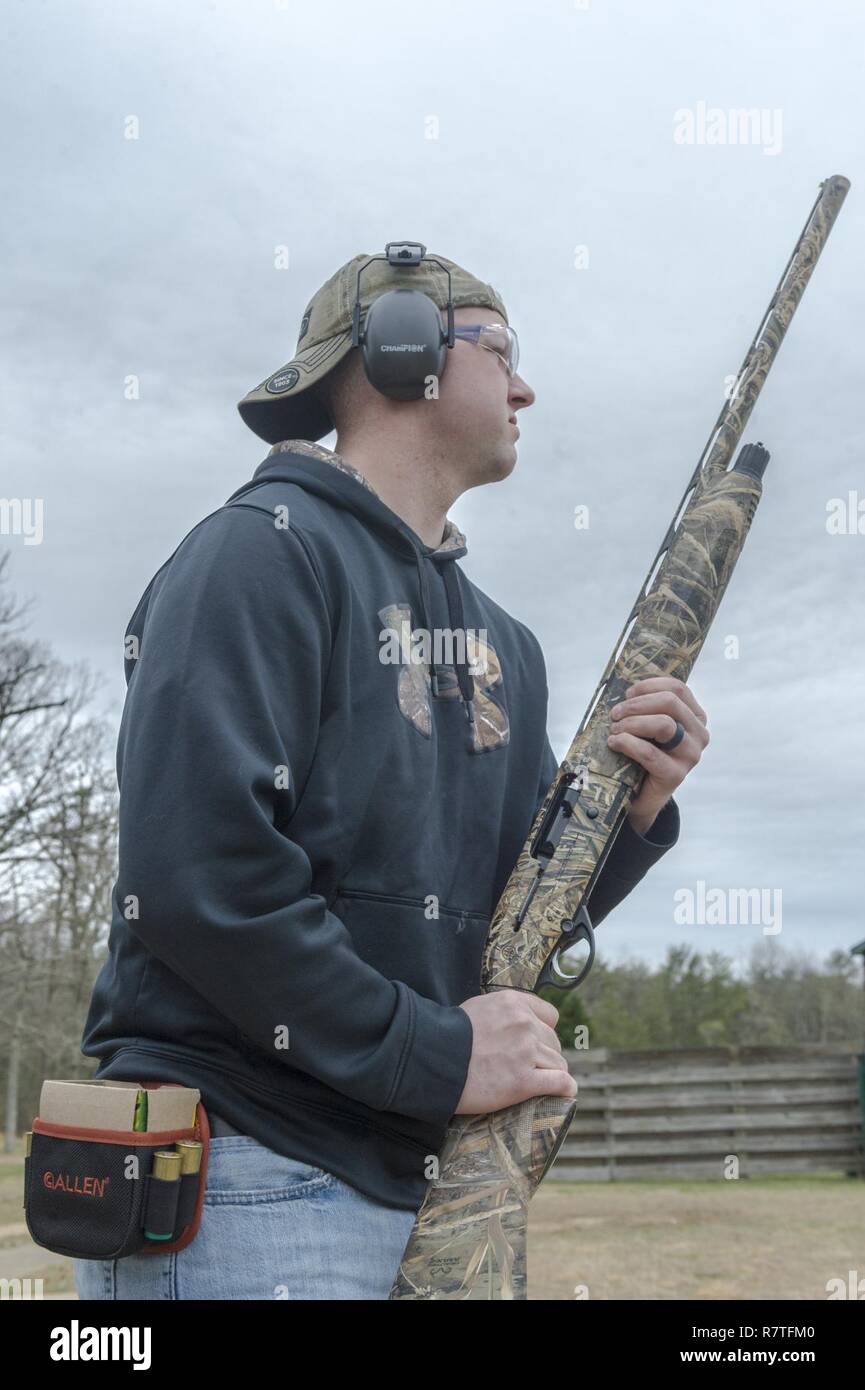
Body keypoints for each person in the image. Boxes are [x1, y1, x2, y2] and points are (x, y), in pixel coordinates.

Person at [73, 249, 708, 1301]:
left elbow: (514, 921)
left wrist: (635, 808)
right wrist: (436, 1054)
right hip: (246, 1180)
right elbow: (199, 879)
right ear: (400, 349)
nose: (523, 386)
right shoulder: (257, 557)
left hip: (419, 1189)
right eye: (499, 349)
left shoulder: (506, 643)